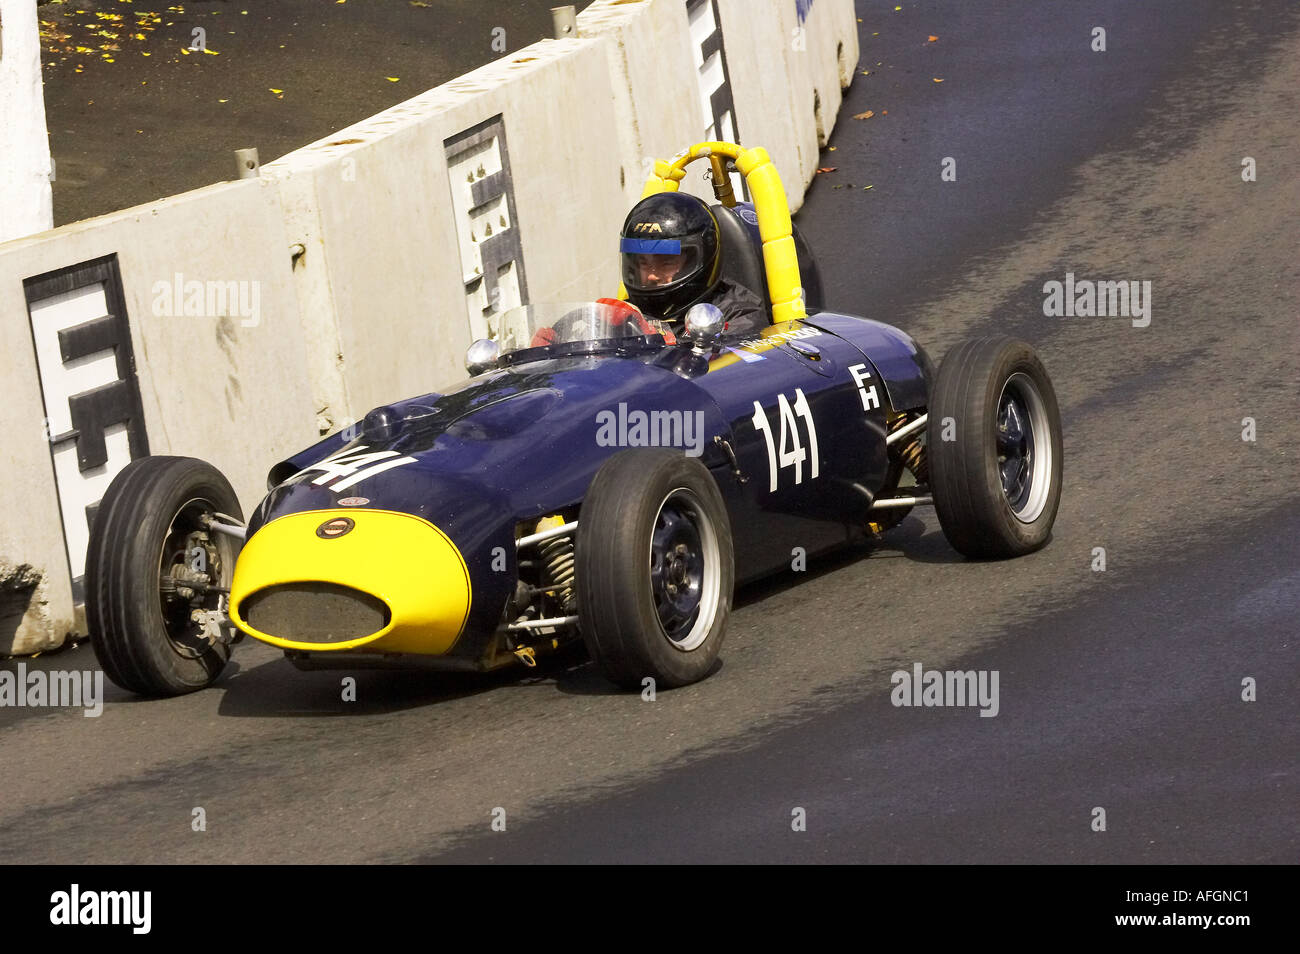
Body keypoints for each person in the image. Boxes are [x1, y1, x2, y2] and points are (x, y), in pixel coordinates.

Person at [619, 192, 768, 338]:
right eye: (643, 263)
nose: (652, 275)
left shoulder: (739, 314)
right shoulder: (626, 315)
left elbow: (726, 358)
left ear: (694, 261)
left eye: (666, 263)